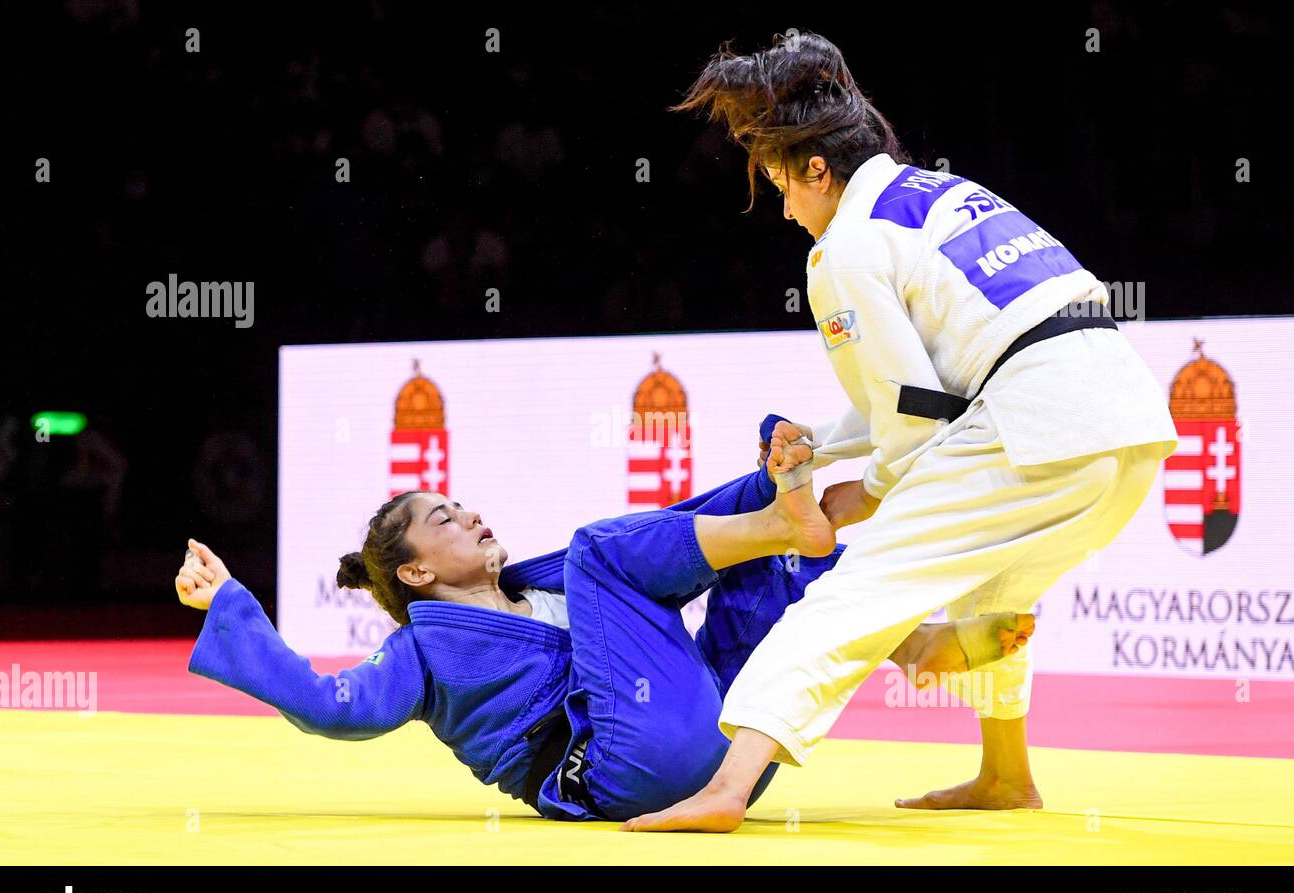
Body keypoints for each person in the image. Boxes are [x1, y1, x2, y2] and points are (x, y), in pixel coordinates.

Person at [622, 33, 1176, 832]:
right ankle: (1003, 768)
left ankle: (726, 788)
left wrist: (863, 495)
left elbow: (915, 418)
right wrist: (823, 438)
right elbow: (933, 388)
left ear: (818, 169)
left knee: (855, 589)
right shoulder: (943, 194)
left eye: (781, 184)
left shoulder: (842, 251)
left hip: (1035, 422)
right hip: (1124, 421)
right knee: (999, 587)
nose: (783, 209)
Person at [175, 416, 1030, 822]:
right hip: (621, 769)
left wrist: (762, 490)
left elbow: (683, 541)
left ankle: (903, 634)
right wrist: (231, 605)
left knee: (741, 552)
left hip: (723, 744)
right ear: (416, 571)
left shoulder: (536, 589)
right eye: (446, 518)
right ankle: (789, 518)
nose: (470, 514)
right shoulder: (423, 650)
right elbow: (332, 707)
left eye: (463, 503)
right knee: (604, 549)